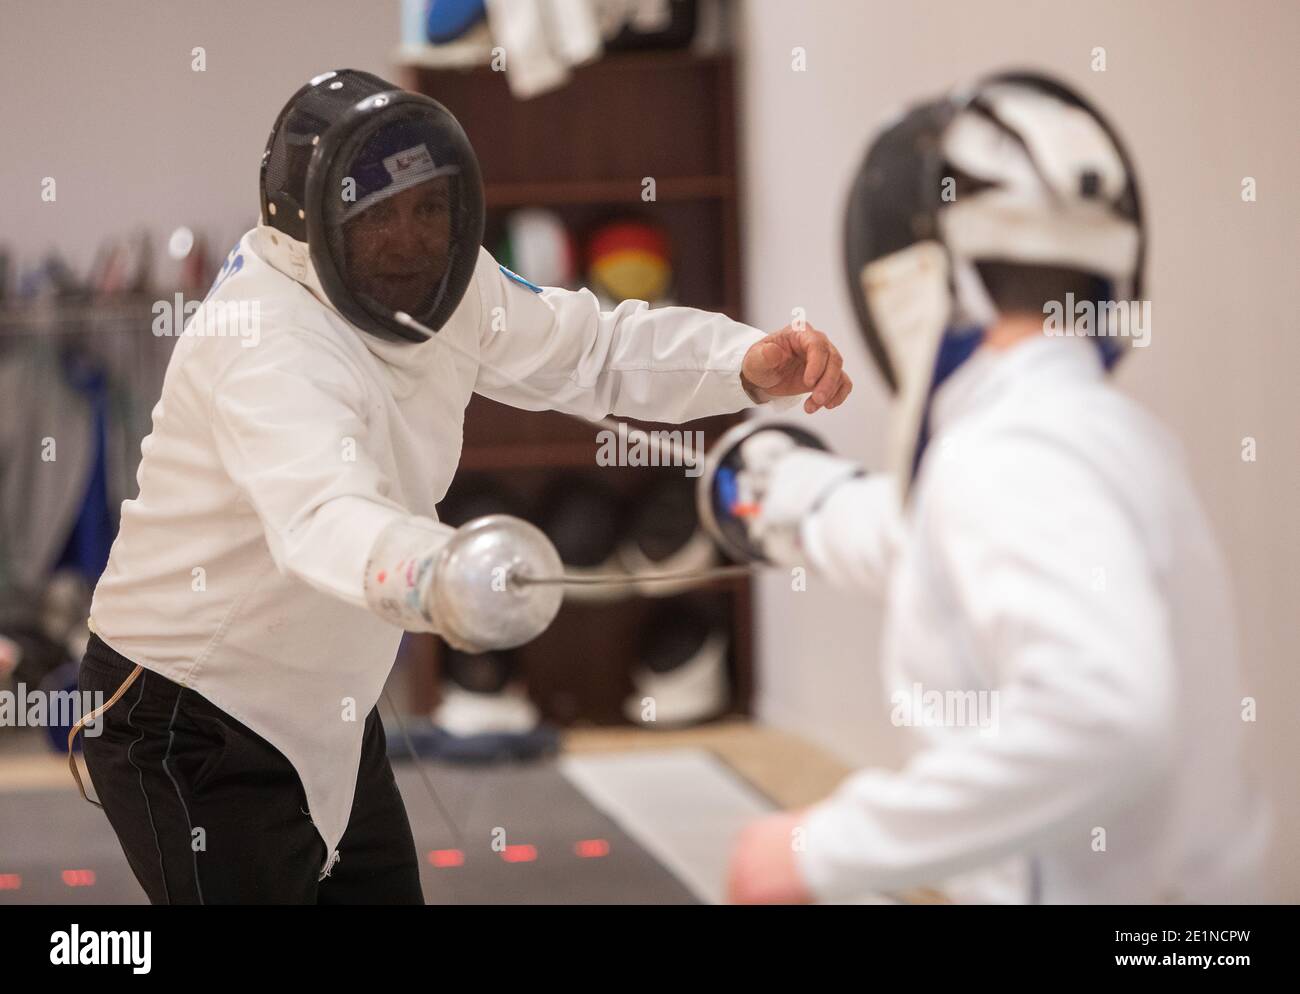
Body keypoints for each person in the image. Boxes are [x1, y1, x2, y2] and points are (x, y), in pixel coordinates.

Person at [75, 68, 852, 905]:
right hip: (191, 709)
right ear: (313, 230)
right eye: (377, 217)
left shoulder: (448, 283)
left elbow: (584, 351)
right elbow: (322, 516)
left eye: (428, 207)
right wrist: (436, 575)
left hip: (327, 701)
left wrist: (744, 363)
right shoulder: (265, 339)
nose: (410, 240)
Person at [710, 72, 1269, 904]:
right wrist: (776, 493)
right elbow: (925, 544)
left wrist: (821, 848)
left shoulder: (1008, 453)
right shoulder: (1105, 437)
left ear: (915, 278)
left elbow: (1104, 715)